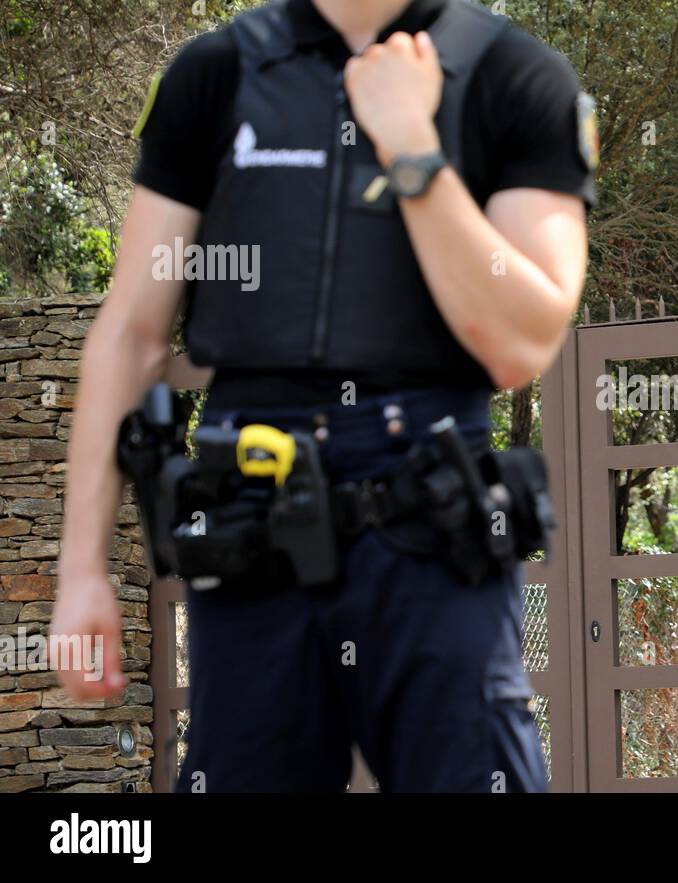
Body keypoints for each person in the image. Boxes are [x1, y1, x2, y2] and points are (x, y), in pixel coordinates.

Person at [50, 0, 594, 792]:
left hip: (434, 514)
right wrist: (80, 570)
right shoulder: (215, 75)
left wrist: (412, 147)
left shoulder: (518, 78)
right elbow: (132, 335)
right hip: (252, 511)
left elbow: (519, 343)